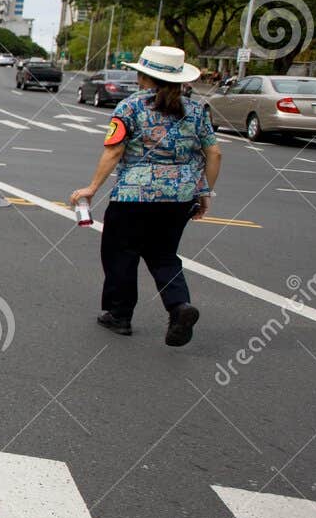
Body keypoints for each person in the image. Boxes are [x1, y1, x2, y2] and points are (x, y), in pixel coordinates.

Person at [68, 45, 221, 347]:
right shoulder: (196, 109)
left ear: (143, 75)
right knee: (163, 255)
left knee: (121, 253)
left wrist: (92, 188)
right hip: (179, 197)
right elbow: (214, 153)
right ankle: (179, 306)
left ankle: (119, 315)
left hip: (133, 196)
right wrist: (204, 191)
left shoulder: (130, 107)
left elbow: (114, 150)